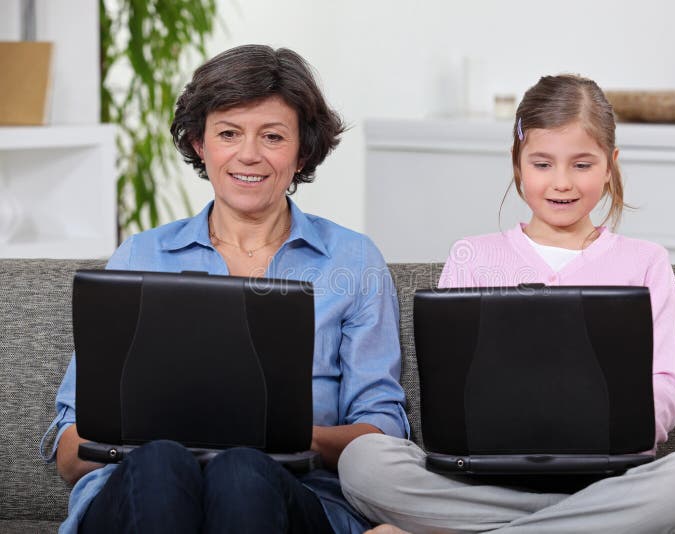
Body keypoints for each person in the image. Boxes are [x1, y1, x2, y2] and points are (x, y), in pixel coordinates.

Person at [39, 44, 409, 534]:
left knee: (242, 469)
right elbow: (70, 452)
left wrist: (289, 437)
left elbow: (382, 430)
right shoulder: (140, 257)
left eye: (272, 136)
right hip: (140, 495)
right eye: (229, 133)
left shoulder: (353, 261)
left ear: (302, 152)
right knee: (160, 463)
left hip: (289, 496)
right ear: (199, 143)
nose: (249, 154)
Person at [338, 74, 675, 533]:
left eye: (582, 165)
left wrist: (616, 422)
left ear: (610, 165)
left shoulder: (646, 263)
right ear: (517, 165)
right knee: (363, 461)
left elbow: (664, 386)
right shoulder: (471, 256)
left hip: (604, 482)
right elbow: (445, 389)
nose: (562, 183)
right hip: (480, 483)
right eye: (542, 164)